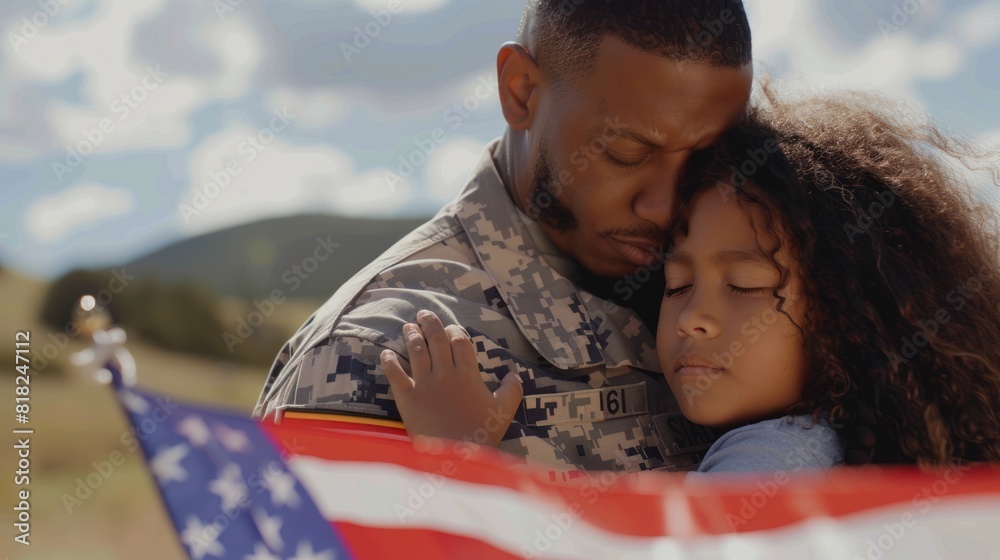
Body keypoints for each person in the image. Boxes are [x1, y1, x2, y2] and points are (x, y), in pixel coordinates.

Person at [385, 88, 1000, 476]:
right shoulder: (861, 453)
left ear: (852, 316)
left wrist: (458, 462)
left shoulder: (771, 462)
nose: (692, 318)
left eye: (745, 285)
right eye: (677, 284)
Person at [253, 0, 755, 474]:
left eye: (705, 160)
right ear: (520, 91)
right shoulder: (373, 353)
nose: (665, 207)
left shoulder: (767, 301)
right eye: (626, 152)